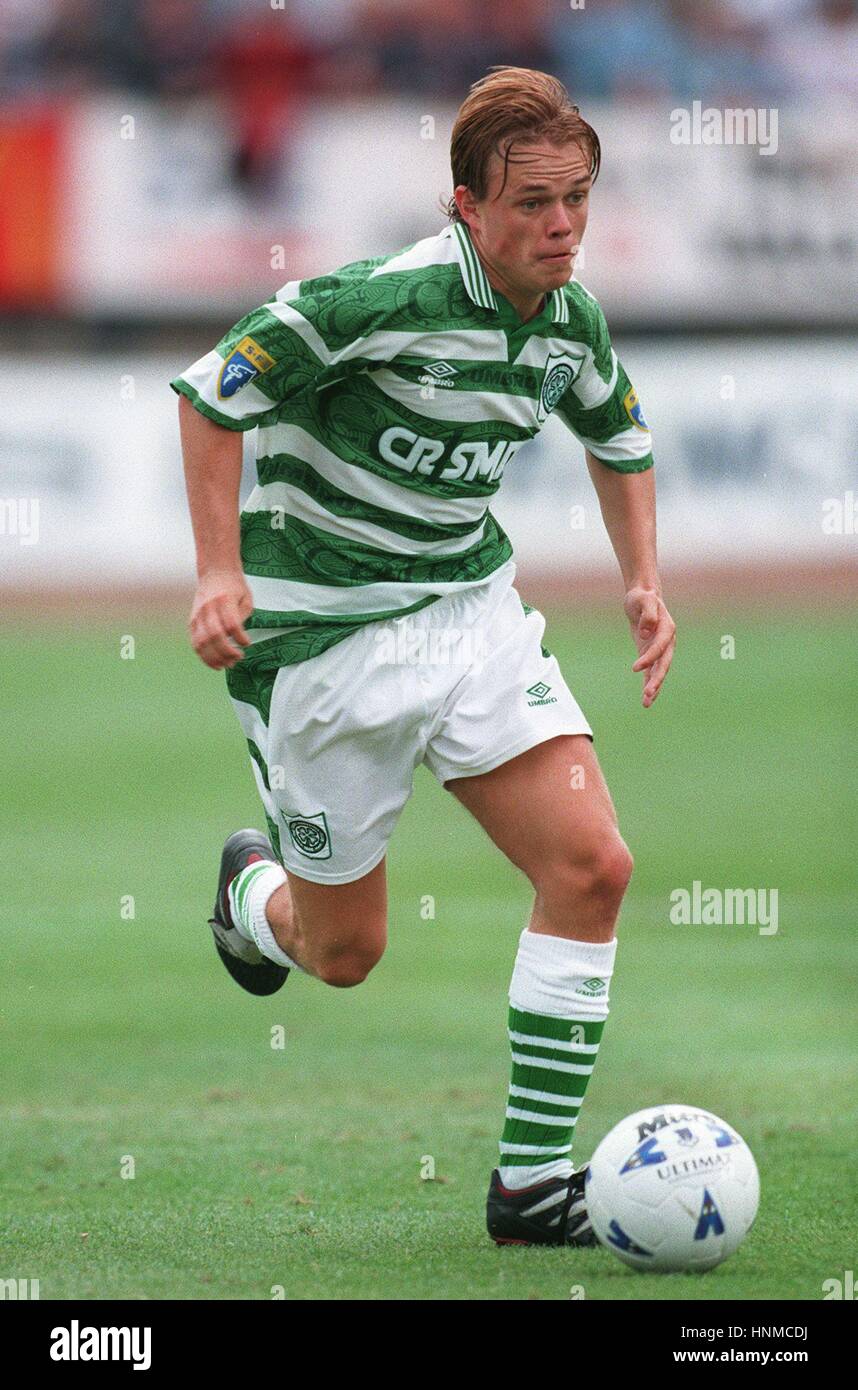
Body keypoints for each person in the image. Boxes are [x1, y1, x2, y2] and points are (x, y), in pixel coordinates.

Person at [172, 65, 676, 1247]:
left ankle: (530, 1183)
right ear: (466, 206)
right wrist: (214, 573)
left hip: (470, 615)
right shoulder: (377, 299)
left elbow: (621, 431)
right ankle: (254, 897)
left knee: (595, 866)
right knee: (344, 956)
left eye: (579, 199)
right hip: (321, 643)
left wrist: (642, 579)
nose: (562, 226)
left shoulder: (570, 320)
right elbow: (212, 394)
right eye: (535, 204)